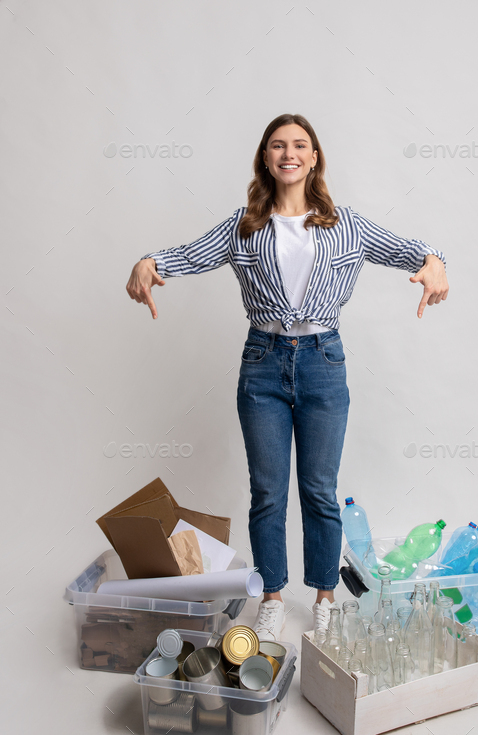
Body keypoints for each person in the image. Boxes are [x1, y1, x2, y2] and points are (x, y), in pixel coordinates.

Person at [126, 113, 449, 641]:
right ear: (266, 158)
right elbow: (186, 255)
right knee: (268, 492)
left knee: (319, 490)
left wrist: (435, 262)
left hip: (323, 362)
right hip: (263, 363)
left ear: (315, 157)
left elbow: (412, 252)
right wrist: (147, 261)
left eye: (300, 145)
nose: (289, 153)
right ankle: (272, 596)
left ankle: (324, 595)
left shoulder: (348, 224)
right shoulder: (244, 225)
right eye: (278, 145)